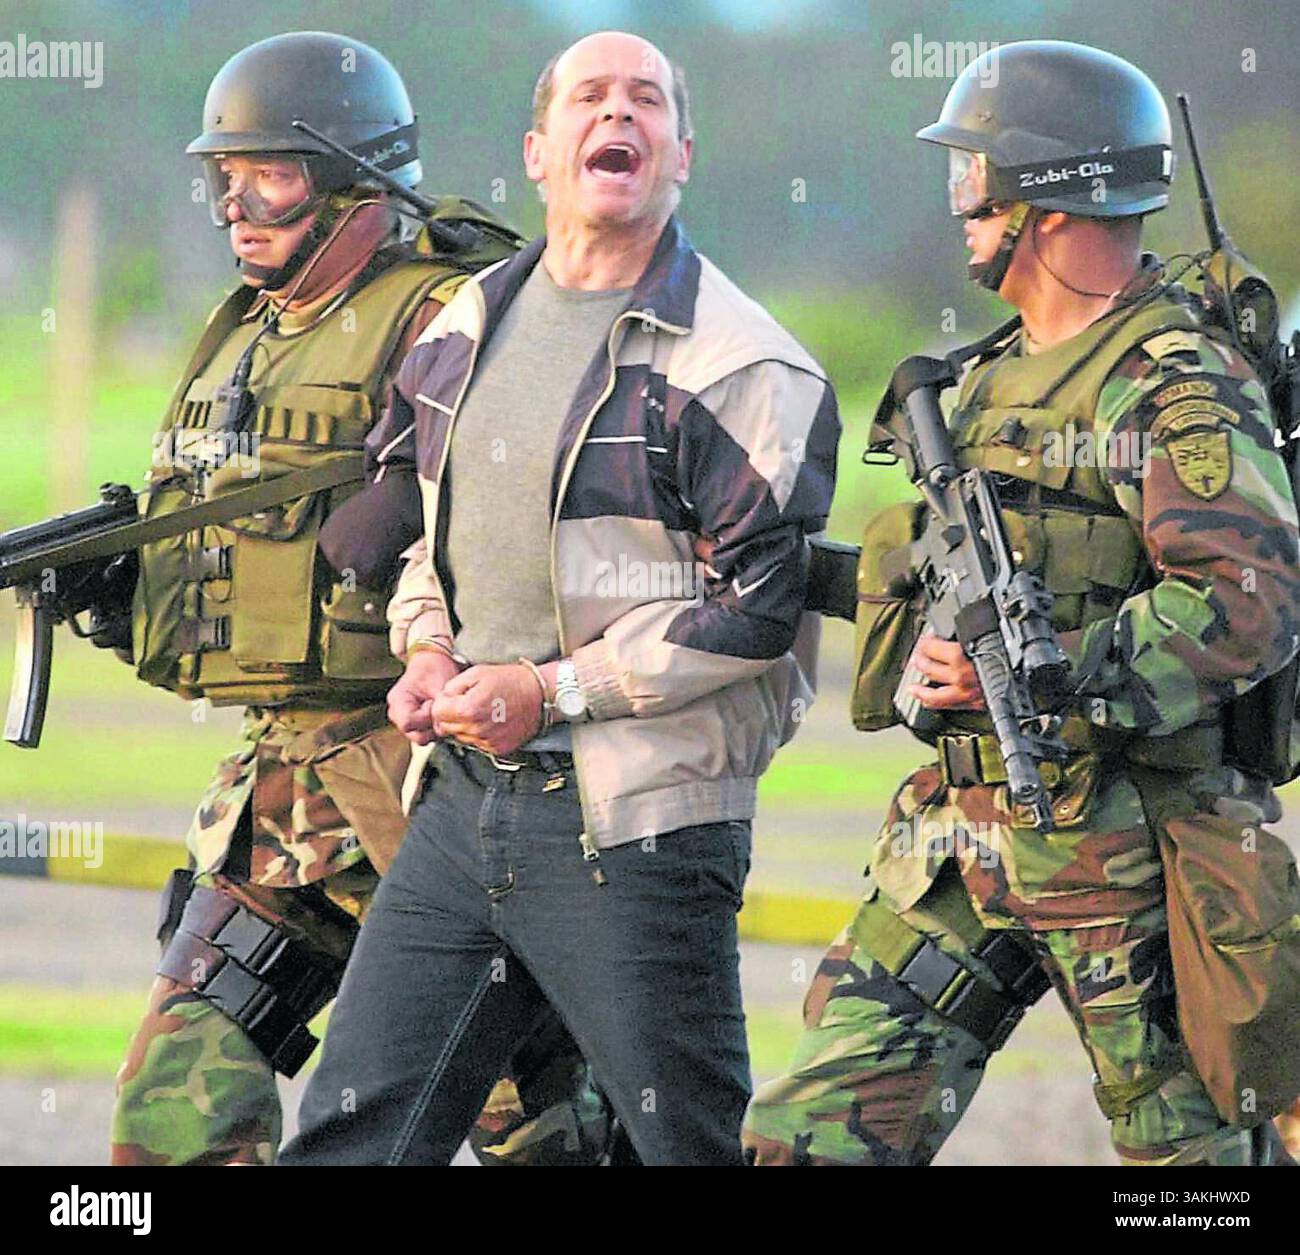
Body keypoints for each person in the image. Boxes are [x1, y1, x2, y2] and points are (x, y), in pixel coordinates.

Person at [277, 29, 839, 1167]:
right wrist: (427, 650)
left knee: (682, 1143)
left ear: (681, 153)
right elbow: (431, 532)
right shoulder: (463, 323)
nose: (616, 116)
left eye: (646, 101)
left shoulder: (742, 366)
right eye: (589, 97)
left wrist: (551, 688)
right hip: (459, 803)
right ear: (538, 151)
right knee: (347, 1137)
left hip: (637, 828)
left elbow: (757, 604)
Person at [743, 39, 1300, 1167]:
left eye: (974, 177)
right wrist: (810, 577)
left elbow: (1249, 600)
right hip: (961, 843)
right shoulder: (990, 378)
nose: (958, 205)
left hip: (1134, 853)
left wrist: (1065, 672)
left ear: (1044, 195)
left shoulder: (1171, 379)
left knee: (1193, 1171)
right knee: (805, 1138)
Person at [107, 30, 608, 1167]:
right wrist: (126, 591)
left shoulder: (455, 315)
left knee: (544, 1127)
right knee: (176, 1096)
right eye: (223, 181)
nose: (238, 208)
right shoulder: (252, 330)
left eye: (269, 177)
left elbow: (555, 539)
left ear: (353, 186)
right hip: (285, 794)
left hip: (435, 787)